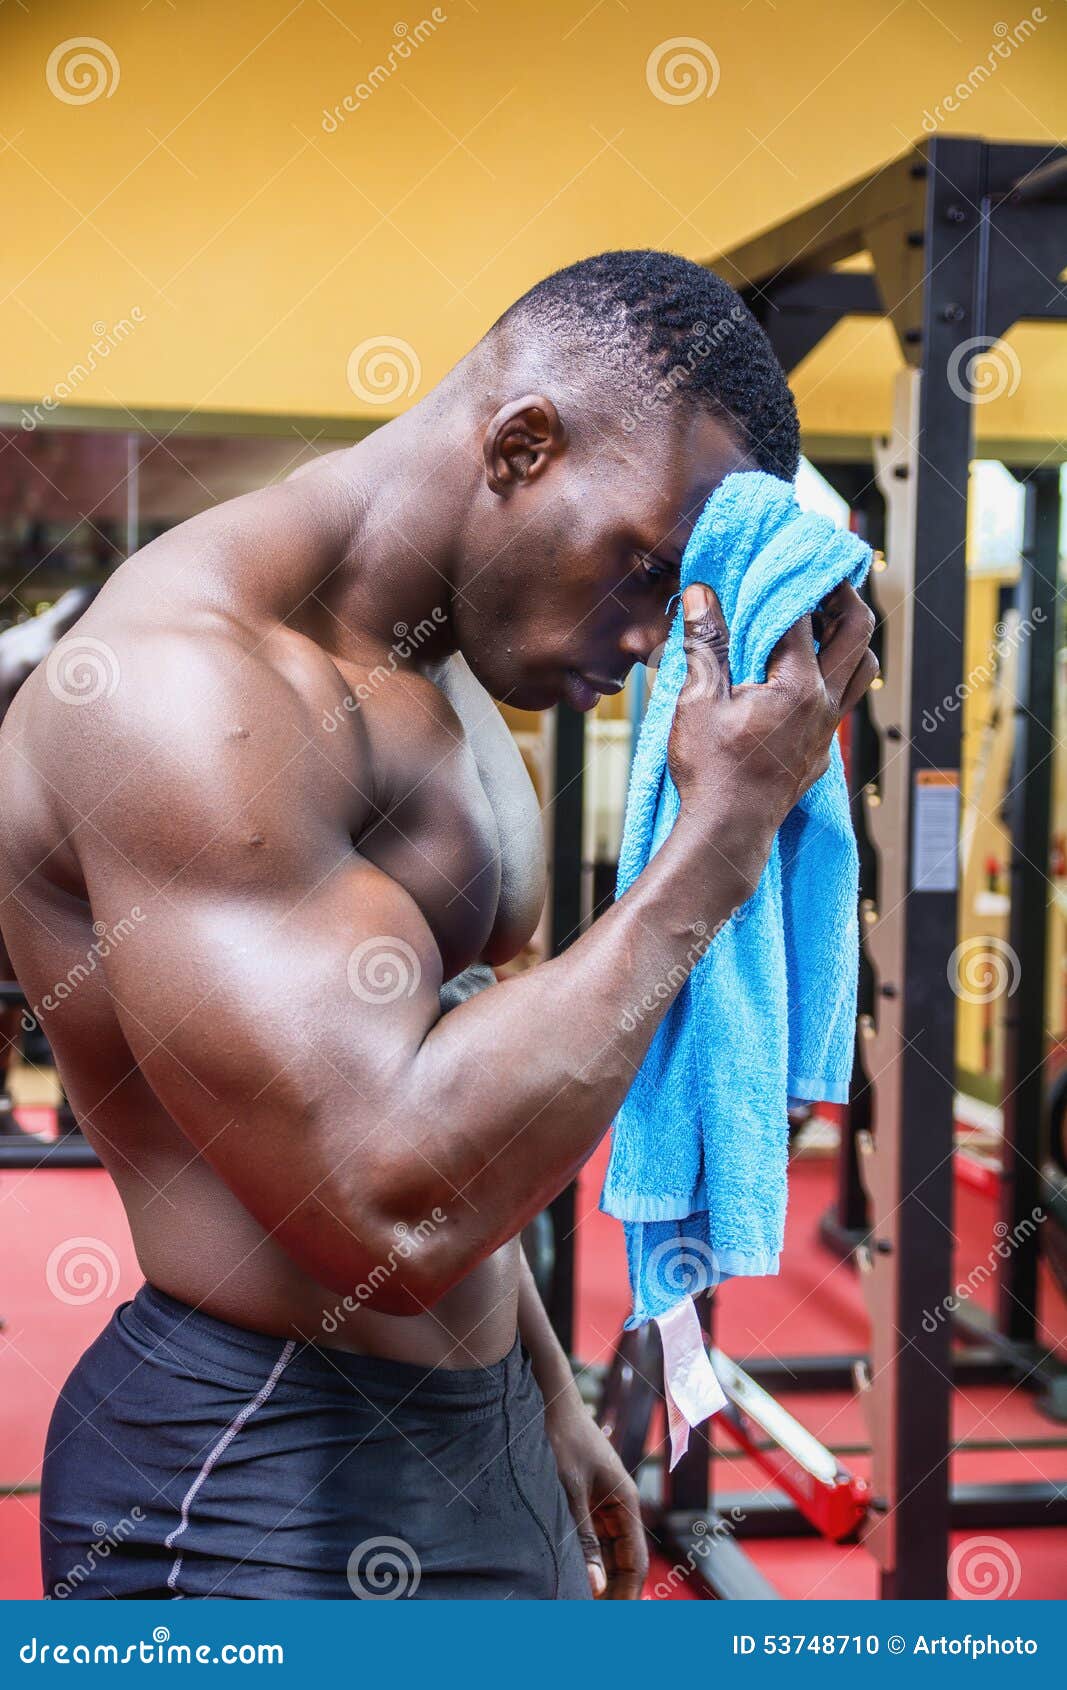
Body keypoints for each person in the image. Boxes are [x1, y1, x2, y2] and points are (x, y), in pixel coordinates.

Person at [0, 251, 876, 1600]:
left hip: (478, 1438)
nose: (651, 638)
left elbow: (447, 1059)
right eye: (639, 565)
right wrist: (721, 834)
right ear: (521, 444)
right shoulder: (184, 689)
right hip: (256, 1479)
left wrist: (543, 1397)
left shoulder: (444, 663)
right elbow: (385, 1202)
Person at [0, 588, 99, 1127]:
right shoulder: (27, 663)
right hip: (31, 847)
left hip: (55, 846)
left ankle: (75, 1112)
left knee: (65, 980)